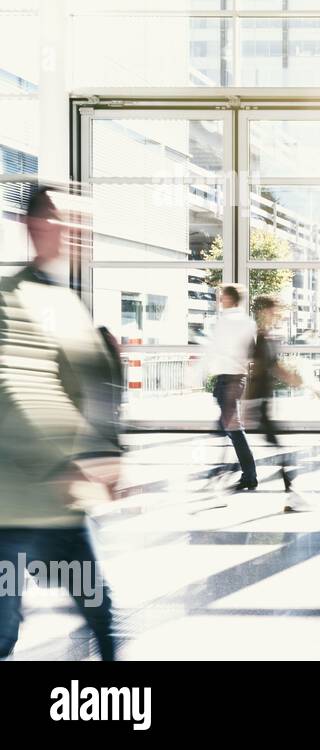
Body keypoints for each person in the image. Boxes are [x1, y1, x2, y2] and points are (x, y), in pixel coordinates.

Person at [0, 185, 122, 661]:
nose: (78, 231)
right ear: (34, 225)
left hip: (61, 506)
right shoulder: (13, 300)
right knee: (4, 628)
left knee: (100, 613)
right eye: (65, 219)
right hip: (13, 505)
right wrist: (73, 461)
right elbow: (19, 389)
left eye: (82, 222)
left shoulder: (67, 302)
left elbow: (89, 390)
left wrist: (108, 454)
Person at [247, 296, 314, 512]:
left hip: (263, 402)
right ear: (264, 312)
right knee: (281, 450)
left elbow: (272, 366)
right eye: (273, 311)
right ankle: (292, 494)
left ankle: (291, 494)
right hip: (259, 403)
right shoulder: (260, 338)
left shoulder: (266, 338)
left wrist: (291, 378)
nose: (276, 315)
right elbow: (261, 369)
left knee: (280, 449)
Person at [204, 284, 258, 490]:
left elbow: (212, 350)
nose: (219, 300)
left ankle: (248, 475)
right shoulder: (247, 321)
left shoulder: (224, 322)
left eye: (222, 297)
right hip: (238, 378)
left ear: (230, 299)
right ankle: (226, 470)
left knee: (234, 430)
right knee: (226, 427)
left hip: (228, 380)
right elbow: (252, 351)